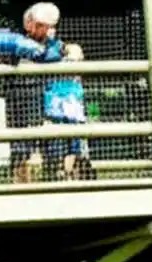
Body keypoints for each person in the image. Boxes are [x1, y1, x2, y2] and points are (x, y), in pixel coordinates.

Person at [0, 2, 65, 183]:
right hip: (19, 99)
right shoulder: (15, 41)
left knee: (52, 147)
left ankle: (54, 186)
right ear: (29, 23)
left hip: (47, 100)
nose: (44, 30)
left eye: (47, 26)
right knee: (21, 149)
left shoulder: (55, 46)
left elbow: (63, 52)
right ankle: (21, 189)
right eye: (40, 25)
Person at [43, 43, 93, 180]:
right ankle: (60, 174)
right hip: (56, 114)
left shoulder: (76, 73)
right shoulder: (52, 63)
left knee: (76, 150)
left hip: (74, 114)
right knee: (57, 151)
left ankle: (70, 175)